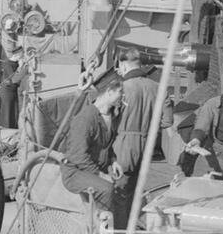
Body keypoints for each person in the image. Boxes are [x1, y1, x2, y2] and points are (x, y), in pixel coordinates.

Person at [60, 77, 126, 222]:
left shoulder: (111, 116)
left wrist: (113, 161)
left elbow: (107, 146)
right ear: (109, 92)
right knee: (106, 188)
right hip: (75, 171)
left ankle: (118, 229)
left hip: (94, 168)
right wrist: (101, 176)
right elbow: (77, 156)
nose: (123, 97)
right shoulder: (85, 118)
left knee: (124, 184)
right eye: (121, 92)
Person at [111, 48, 161, 223]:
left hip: (122, 143)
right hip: (147, 144)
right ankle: (130, 228)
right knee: (134, 189)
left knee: (118, 190)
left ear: (124, 66)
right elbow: (167, 121)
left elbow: (108, 116)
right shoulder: (157, 87)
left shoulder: (121, 88)